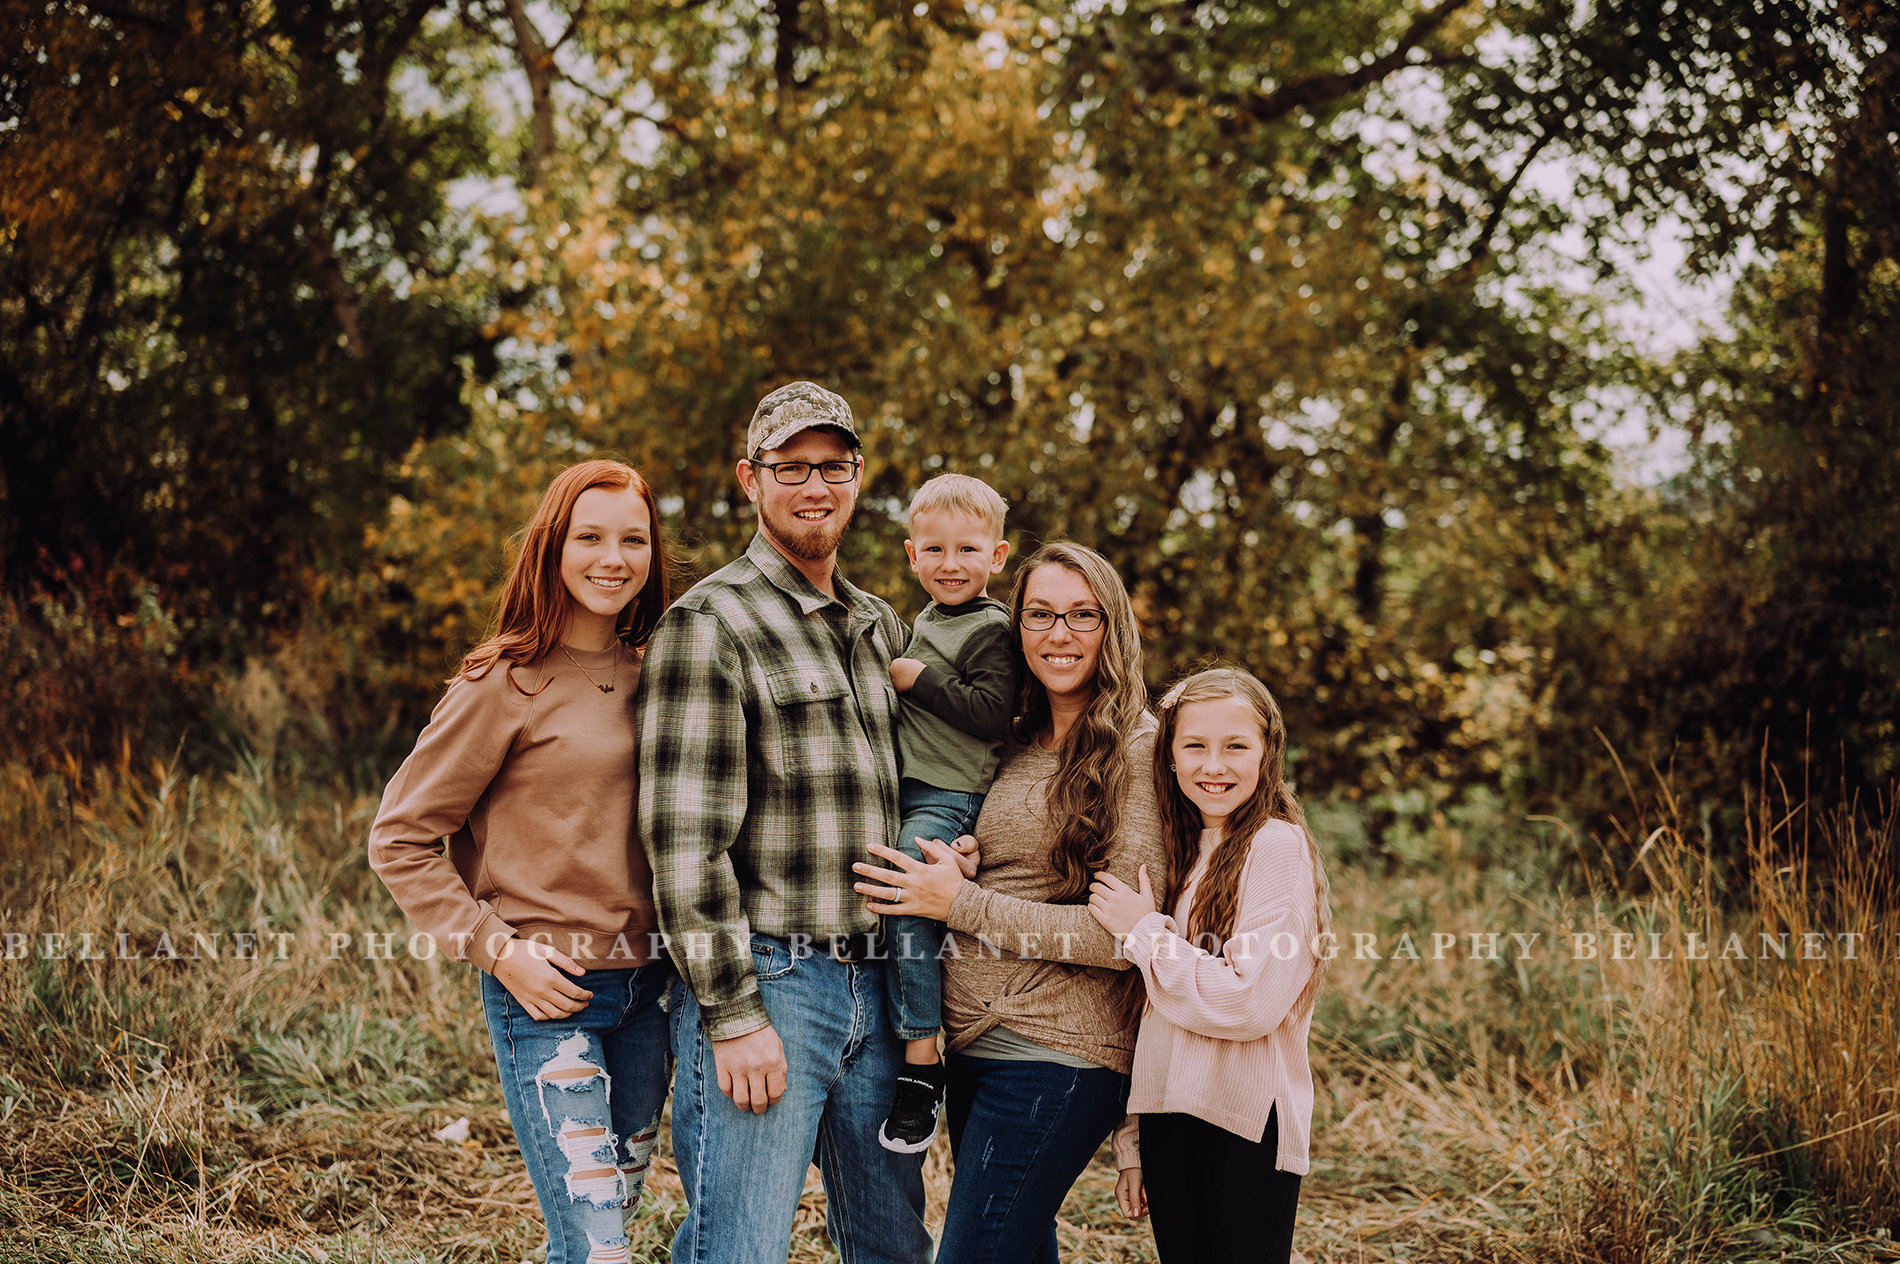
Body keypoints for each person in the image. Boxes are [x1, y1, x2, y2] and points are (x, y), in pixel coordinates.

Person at [633, 381, 935, 1264]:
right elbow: (684, 844)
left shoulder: (878, 624)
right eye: (791, 468)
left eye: (833, 467)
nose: (815, 487)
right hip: (774, 982)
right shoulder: (710, 623)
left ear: (858, 477)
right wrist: (733, 1015)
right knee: (742, 1247)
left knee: (892, 1247)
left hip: (883, 984)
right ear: (750, 479)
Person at [367, 460, 675, 1264]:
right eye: (590, 537)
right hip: (549, 1000)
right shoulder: (503, 681)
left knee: (604, 1228)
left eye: (634, 540)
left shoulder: (664, 674)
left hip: (651, 997)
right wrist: (497, 950)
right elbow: (399, 836)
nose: (613, 558)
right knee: (599, 1248)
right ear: (552, 547)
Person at [853, 540, 1164, 1264]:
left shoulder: (1138, 750)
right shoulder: (1010, 739)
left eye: (1082, 615)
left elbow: (1120, 937)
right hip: (974, 1045)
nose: (1060, 634)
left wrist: (960, 902)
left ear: (1112, 626)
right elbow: (1010, 866)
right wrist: (967, 861)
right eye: (1040, 615)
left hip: (1057, 1053)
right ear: (1015, 627)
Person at [1088, 666, 1332, 1264]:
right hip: (1169, 1118)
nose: (1214, 766)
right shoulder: (1177, 847)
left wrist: (1144, 932)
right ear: (1169, 756)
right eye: (1195, 745)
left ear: (1267, 753)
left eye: (1235, 747)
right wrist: (1133, 1142)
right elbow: (1150, 1014)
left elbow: (1248, 1002)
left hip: (1245, 1123)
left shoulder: (1275, 846)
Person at [878, 473, 1020, 1153]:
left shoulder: (991, 629)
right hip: (906, 790)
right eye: (934, 549)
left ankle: (920, 1061)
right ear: (913, 556)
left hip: (949, 794)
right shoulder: (928, 620)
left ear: (997, 556)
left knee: (908, 900)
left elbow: (992, 712)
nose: (950, 563)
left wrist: (919, 680)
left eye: (967, 549)